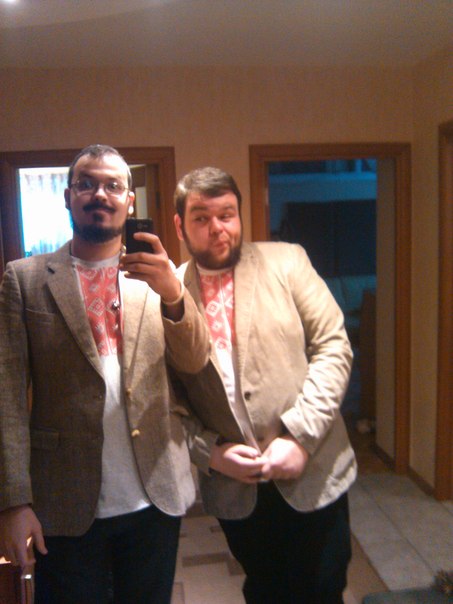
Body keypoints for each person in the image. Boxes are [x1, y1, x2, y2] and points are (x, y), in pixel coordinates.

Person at [0, 144, 210, 604]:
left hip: (154, 494)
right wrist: (14, 502)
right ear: (68, 196)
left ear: (129, 202)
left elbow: (196, 361)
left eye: (113, 185)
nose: (100, 194)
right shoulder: (25, 279)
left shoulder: (160, 276)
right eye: (87, 184)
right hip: (64, 500)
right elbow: (7, 398)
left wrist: (174, 295)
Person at [170, 166, 357, 604]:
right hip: (236, 484)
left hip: (313, 468)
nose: (218, 228)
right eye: (201, 218)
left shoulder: (287, 261)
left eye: (227, 214)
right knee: (264, 589)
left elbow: (333, 347)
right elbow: (166, 399)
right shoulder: (168, 293)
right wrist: (211, 454)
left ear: (239, 215)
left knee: (324, 587)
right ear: (180, 225)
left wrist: (300, 437)